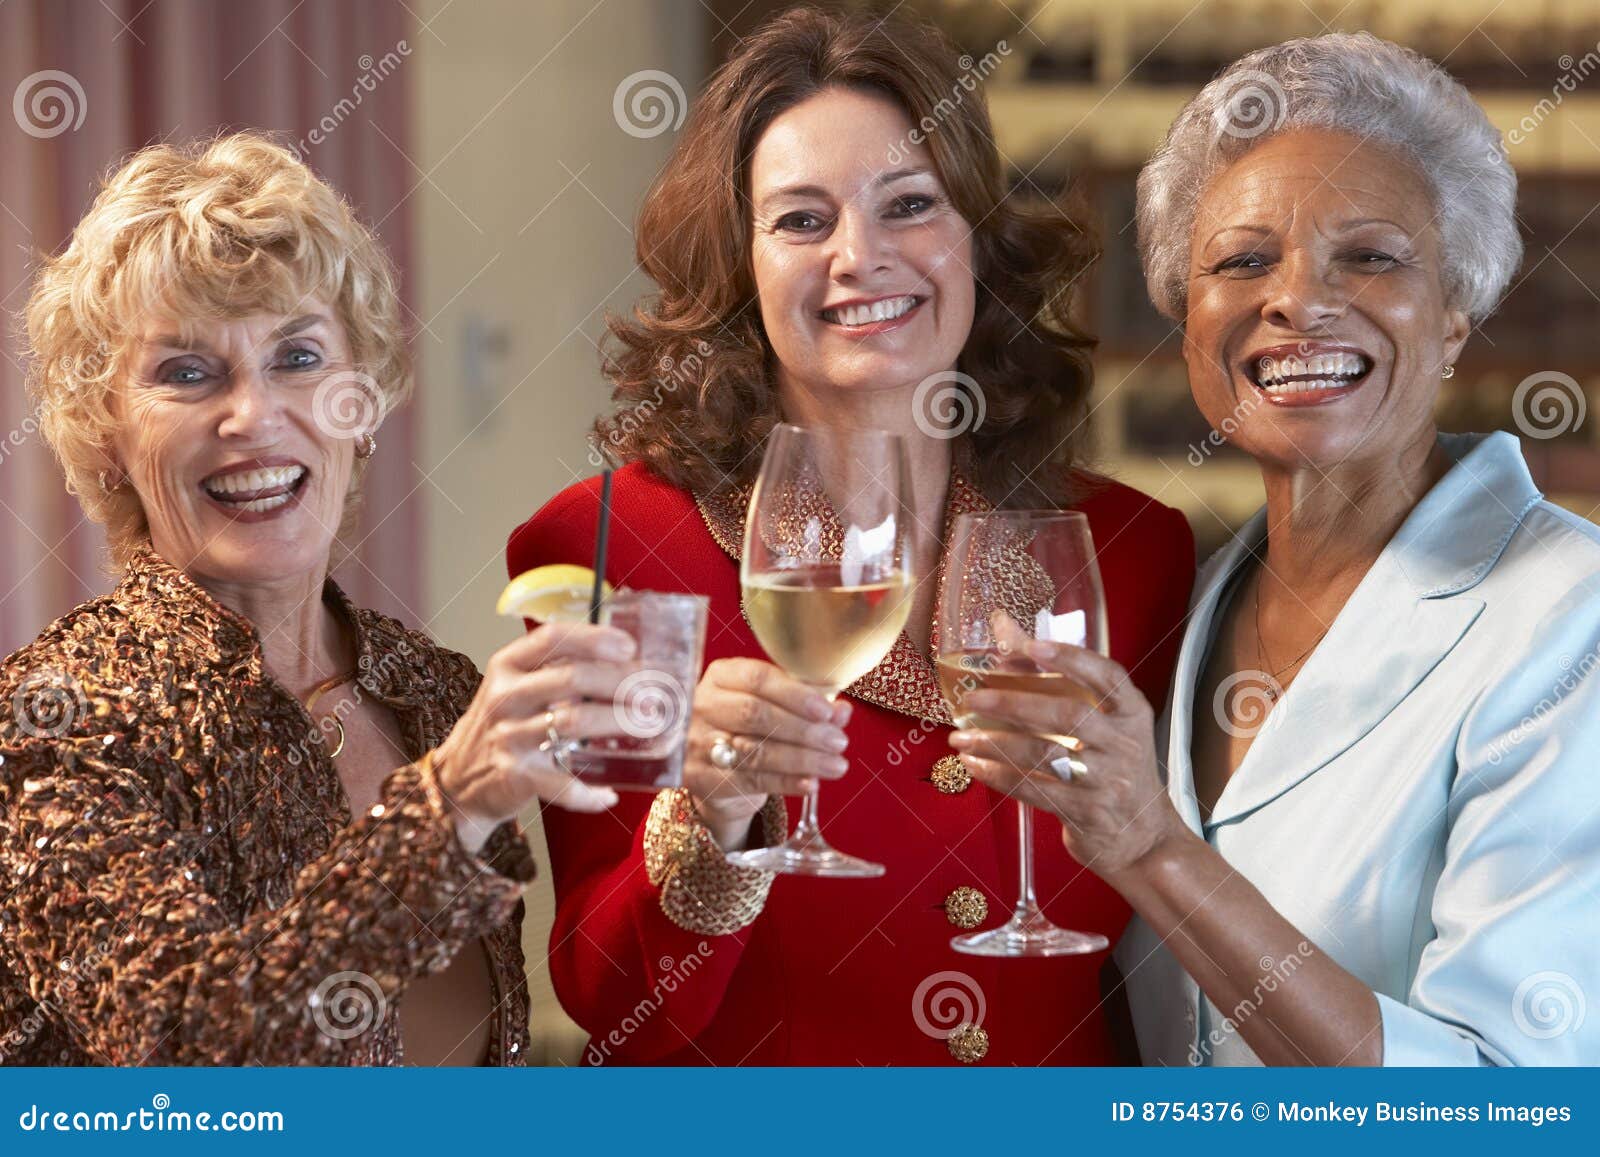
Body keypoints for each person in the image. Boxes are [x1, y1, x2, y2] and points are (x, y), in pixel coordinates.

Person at [508, 7, 1194, 1065]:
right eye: (800, 220)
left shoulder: (1132, 551)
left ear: (977, 237)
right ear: (739, 264)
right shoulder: (610, 548)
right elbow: (609, 997)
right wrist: (708, 817)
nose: (860, 257)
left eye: (909, 204)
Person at [946, 33, 1600, 1065]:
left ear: (1454, 317)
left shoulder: (1570, 618)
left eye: (1370, 256)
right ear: (1187, 320)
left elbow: (1504, 1107)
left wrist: (1152, 847)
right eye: (1243, 261)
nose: (1297, 299)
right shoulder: (1179, 603)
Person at [0, 133, 631, 1066]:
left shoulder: (437, 692)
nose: (255, 416)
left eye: (297, 356)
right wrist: (447, 808)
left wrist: (713, 818)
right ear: (106, 435)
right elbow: (187, 1056)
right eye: (186, 372)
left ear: (361, 405)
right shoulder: (56, 720)